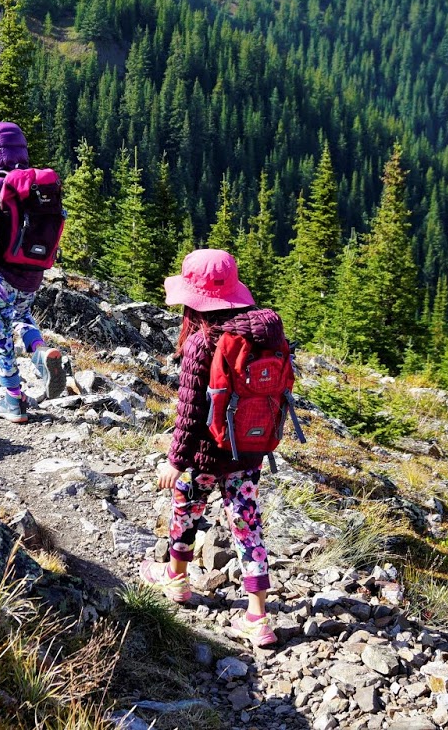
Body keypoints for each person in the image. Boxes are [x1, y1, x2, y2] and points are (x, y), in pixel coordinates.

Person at [140, 248, 283, 647]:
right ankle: (257, 616)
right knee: (247, 523)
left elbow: (189, 410)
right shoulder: (261, 336)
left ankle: (177, 580)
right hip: (249, 452)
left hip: (206, 453)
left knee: (186, 509)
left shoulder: (202, 342)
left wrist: (174, 461)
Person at [0, 121, 67, 424]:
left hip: (1, 276)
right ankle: (39, 351)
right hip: (31, 273)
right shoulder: (30, 186)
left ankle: (12, 399)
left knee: (1, 336)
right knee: (22, 317)